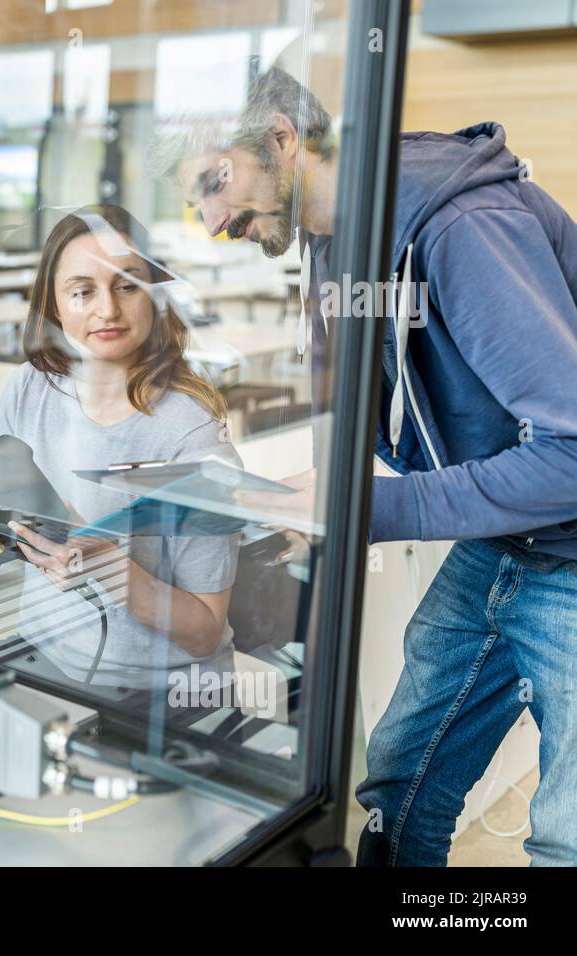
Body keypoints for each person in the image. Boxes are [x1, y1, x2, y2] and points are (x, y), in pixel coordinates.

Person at [150, 63, 577, 866]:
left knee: (565, 840)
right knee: (397, 792)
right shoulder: (329, 245)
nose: (210, 221)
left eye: (215, 183)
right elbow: (355, 416)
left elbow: (574, 455)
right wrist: (300, 501)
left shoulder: (461, 229)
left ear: (281, 139)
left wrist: (364, 512)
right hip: (507, 541)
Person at [0, 204, 241, 694]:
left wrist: (106, 568)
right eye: (82, 292)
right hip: (39, 660)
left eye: (127, 286)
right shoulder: (30, 387)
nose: (107, 310)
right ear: (54, 305)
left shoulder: (190, 434)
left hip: (158, 694)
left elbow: (205, 632)